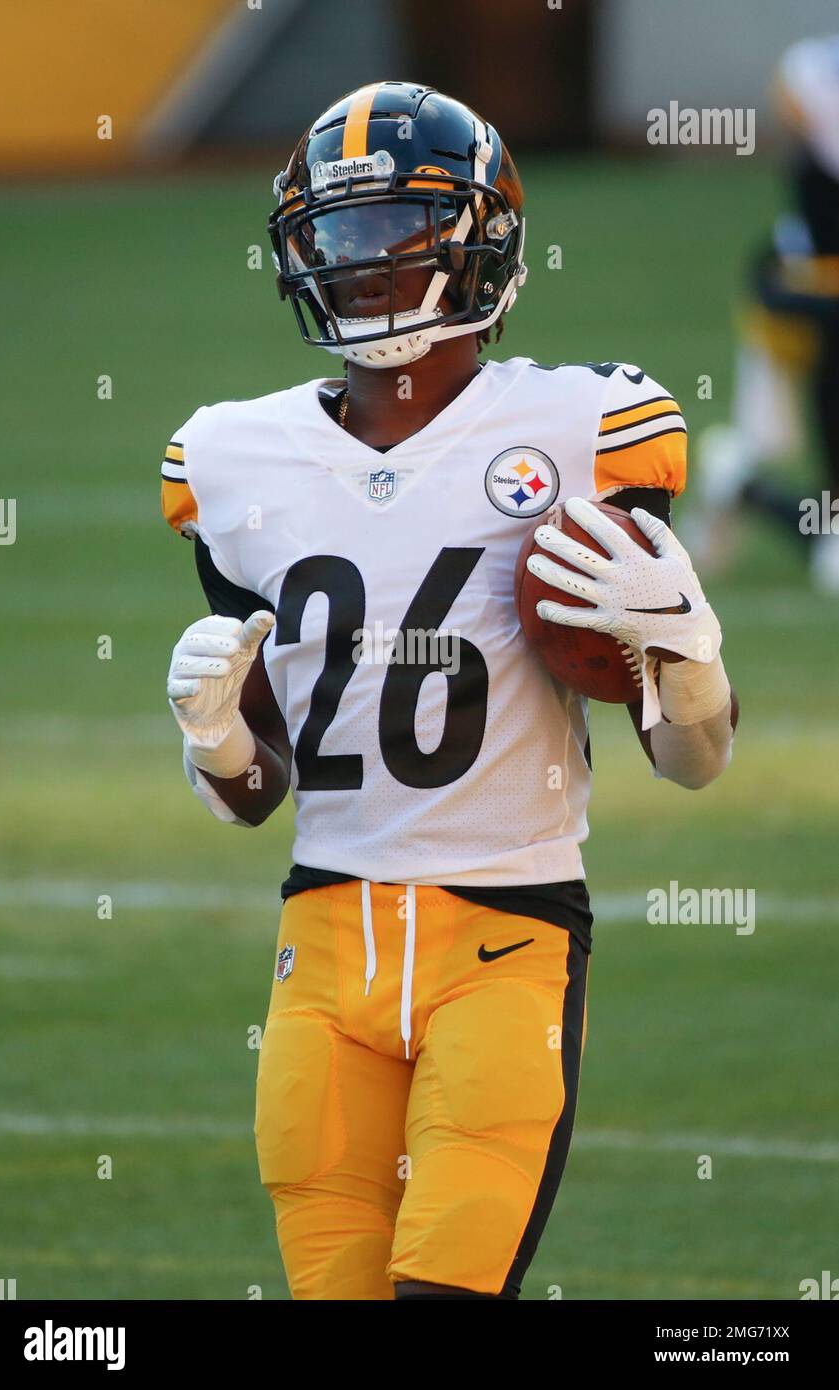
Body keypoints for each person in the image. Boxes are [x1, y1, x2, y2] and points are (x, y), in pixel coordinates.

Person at [160, 81, 737, 1300]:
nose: (366, 261)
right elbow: (255, 794)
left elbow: (693, 760)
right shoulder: (231, 457)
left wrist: (689, 656)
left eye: (402, 228)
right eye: (342, 231)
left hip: (505, 934)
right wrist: (215, 745)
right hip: (319, 947)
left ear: (481, 241)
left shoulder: (582, 426)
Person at [687, 34, 839, 591]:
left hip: (808, 288)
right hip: (803, 298)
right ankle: (742, 481)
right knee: (777, 447)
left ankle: (736, 481)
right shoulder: (814, 73)